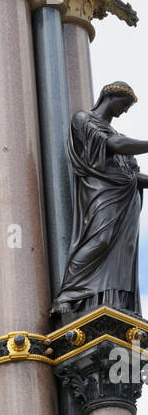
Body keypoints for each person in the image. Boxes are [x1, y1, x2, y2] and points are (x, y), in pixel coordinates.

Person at [53, 81, 147, 320]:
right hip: (101, 194)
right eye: (123, 104)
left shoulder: (121, 136)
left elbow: (135, 174)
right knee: (100, 240)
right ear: (109, 95)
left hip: (126, 201)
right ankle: (68, 295)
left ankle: (112, 302)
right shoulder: (84, 119)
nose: (124, 111)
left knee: (123, 253)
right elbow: (112, 145)